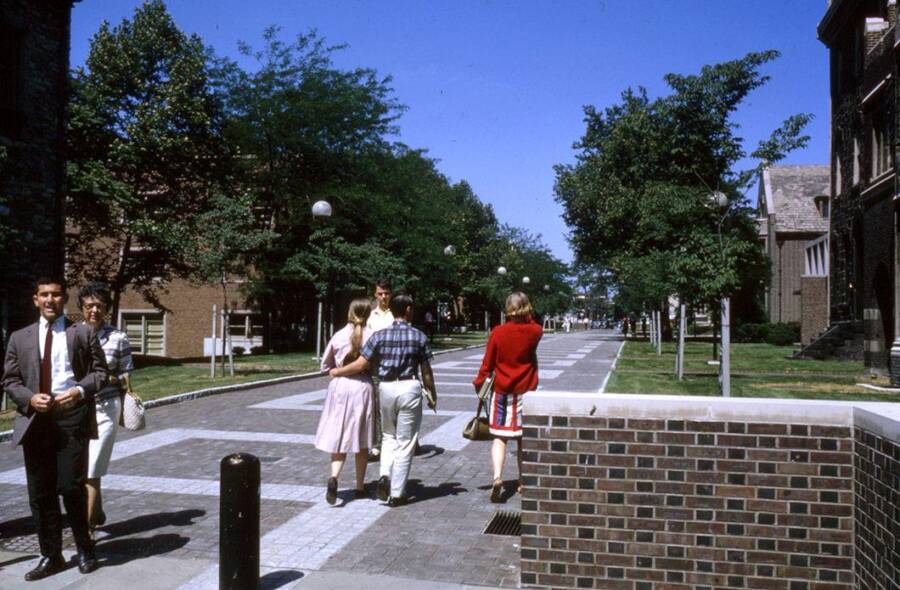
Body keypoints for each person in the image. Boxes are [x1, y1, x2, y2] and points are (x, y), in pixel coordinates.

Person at [3, 277, 108, 580]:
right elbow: (10, 381)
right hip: (35, 422)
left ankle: (86, 549)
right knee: (40, 492)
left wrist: (78, 391)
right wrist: (29, 398)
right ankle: (52, 556)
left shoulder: (83, 333)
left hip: (70, 418)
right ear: (35, 299)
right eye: (44, 295)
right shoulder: (19, 337)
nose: (50, 300)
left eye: (56, 295)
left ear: (64, 299)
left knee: (70, 487)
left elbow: (100, 373)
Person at [330, 294, 436, 507]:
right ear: (407, 310)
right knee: (405, 442)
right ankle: (396, 492)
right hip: (409, 386)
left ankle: (384, 475)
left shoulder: (379, 336)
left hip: (386, 387)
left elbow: (361, 363)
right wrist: (433, 394)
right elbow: (426, 371)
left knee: (387, 436)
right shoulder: (419, 336)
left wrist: (338, 371)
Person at [473, 292, 542, 503]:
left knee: (499, 437)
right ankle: (522, 481)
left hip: (502, 392)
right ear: (527, 308)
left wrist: (480, 384)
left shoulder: (498, 333)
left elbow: (487, 364)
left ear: (508, 310)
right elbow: (532, 326)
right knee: (523, 439)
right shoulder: (535, 331)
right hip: (525, 391)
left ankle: (497, 477)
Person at [78, 282, 134, 535]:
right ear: (81, 308)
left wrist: (106, 378)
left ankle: (86, 531)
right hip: (77, 409)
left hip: (105, 407)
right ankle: (96, 512)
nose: (94, 311)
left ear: (107, 309)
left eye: (99, 306)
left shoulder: (118, 338)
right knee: (84, 468)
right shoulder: (72, 334)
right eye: (89, 305)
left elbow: (126, 376)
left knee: (92, 468)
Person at [315, 298, 374, 504]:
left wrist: (336, 369)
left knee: (339, 434)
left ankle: (334, 476)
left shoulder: (339, 335)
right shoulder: (372, 335)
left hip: (339, 387)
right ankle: (359, 486)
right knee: (362, 436)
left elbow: (324, 365)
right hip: (362, 387)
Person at [364, 279, 394, 459]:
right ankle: (376, 445)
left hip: (394, 366)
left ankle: (394, 441)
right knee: (375, 407)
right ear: (375, 295)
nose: (383, 297)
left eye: (386, 293)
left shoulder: (395, 313)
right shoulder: (370, 316)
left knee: (391, 406)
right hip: (375, 366)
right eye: (380, 293)